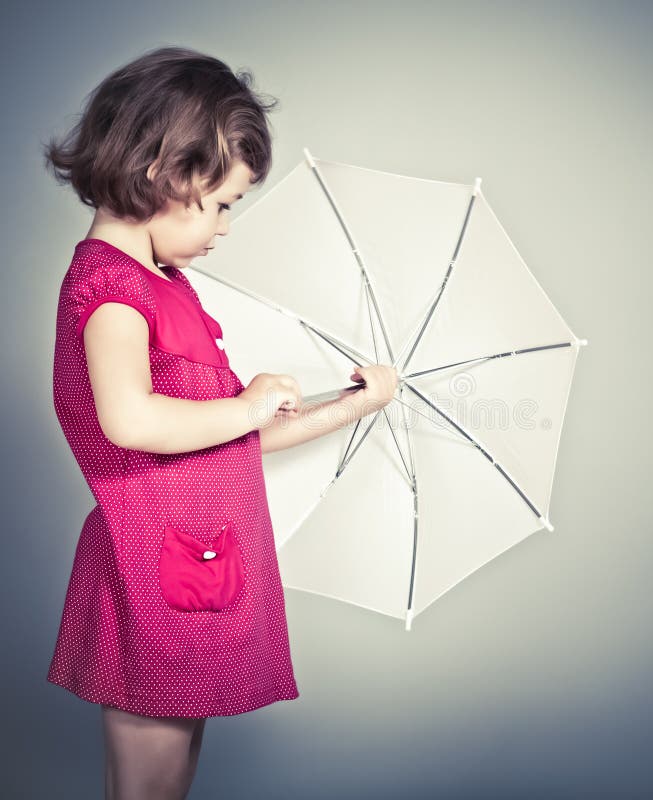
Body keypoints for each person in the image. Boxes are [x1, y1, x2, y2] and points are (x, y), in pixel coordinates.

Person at [42, 45, 397, 799]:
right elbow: (131, 420)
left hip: (196, 565)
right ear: (162, 175)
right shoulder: (110, 286)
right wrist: (243, 403)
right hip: (157, 569)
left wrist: (352, 406)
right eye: (225, 202)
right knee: (150, 787)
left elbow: (237, 439)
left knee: (169, 781)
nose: (226, 227)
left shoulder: (166, 286)